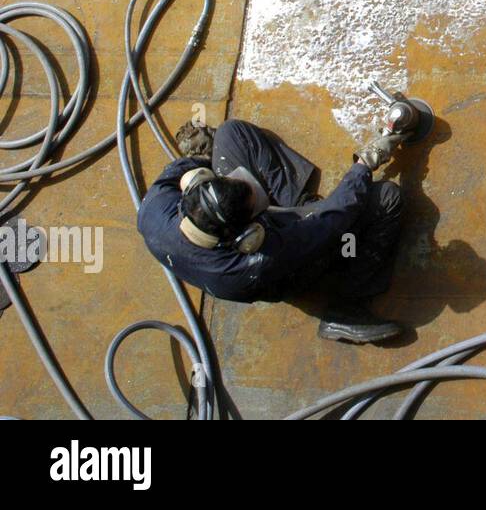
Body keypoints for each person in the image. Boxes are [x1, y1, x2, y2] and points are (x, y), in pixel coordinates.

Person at [136, 118, 409, 344]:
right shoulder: (261, 258)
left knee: (232, 133)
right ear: (248, 236)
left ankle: (300, 206)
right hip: (289, 268)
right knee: (386, 198)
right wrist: (366, 162)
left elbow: (186, 168)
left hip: (228, 220)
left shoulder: (155, 209)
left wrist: (204, 158)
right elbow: (338, 214)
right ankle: (348, 306)